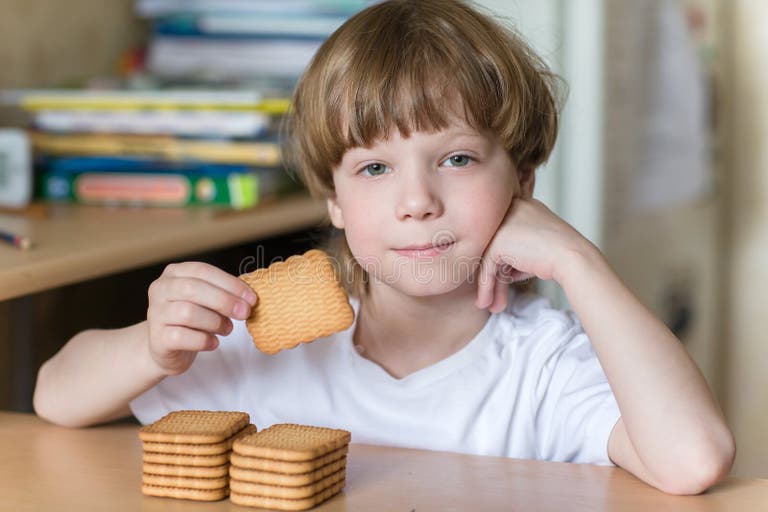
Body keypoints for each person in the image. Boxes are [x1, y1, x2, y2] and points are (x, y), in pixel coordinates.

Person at [33, 0, 734, 495]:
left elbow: (693, 460)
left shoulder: (543, 367)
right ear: (334, 201)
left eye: (456, 159)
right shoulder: (265, 340)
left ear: (521, 182)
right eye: (375, 168)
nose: (417, 199)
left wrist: (579, 261)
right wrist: (153, 346)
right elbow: (56, 397)